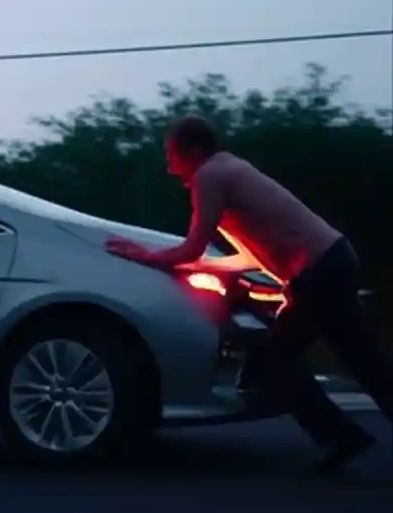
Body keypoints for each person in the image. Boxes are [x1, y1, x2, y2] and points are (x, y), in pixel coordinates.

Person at [105, 116, 393, 475]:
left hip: (319, 271)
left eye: (171, 155)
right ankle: (340, 437)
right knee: (359, 359)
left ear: (192, 151)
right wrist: (196, 267)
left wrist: (146, 256)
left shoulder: (209, 175)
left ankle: (341, 437)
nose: (169, 167)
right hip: (332, 260)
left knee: (275, 361)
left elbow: (194, 248)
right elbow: (245, 257)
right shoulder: (231, 168)